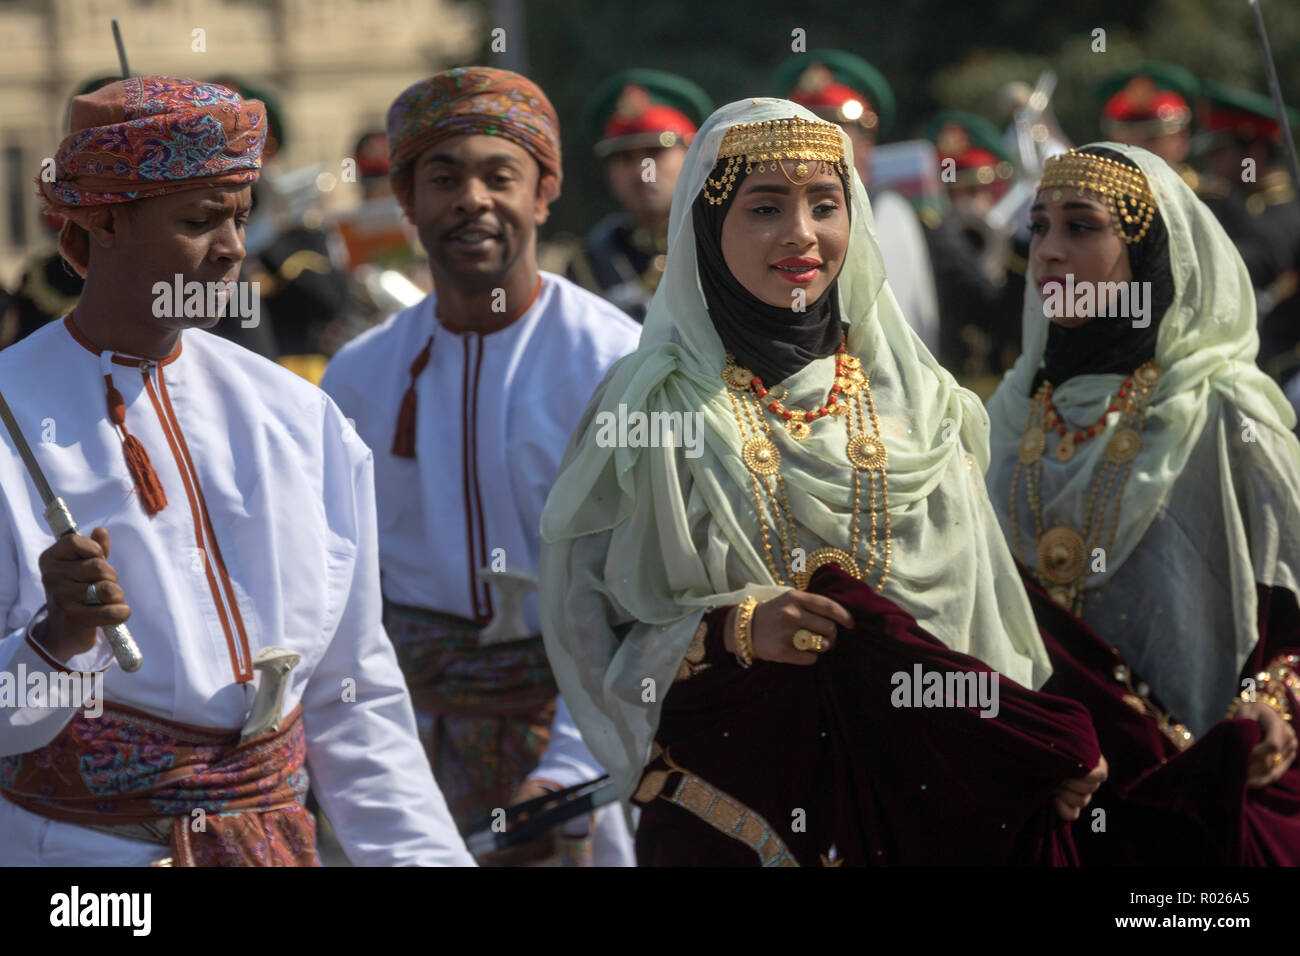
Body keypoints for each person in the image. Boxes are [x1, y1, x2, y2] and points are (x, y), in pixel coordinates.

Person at [538, 97, 1107, 867]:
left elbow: (977, 620)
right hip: (733, 814)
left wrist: (1020, 746)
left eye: (825, 204)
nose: (802, 235)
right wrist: (734, 630)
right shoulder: (653, 405)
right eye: (765, 207)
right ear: (706, 228)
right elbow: (593, 632)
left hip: (924, 804)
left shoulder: (921, 401)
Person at [0, 76, 471, 866]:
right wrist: (57, 640)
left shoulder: (299, 417)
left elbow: (353, 698)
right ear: (99, 227)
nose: (231, 248)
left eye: (240, 218)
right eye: (198, 220)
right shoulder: (11, 418)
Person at [320, 67, 639, 865]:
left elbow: (645, 597)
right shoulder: (357, 377)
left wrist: (570, 773)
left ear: (543, 192)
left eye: (500, 176)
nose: (472, 200)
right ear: (406, 200)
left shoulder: (617, 364)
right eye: (443, 178)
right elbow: (335, 606)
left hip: (582, 765)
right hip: (408, 766)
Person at [986, 143, 1300, 864]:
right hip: (1045, 802)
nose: (1049, 254)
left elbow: (1290, 621)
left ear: (1151, 251)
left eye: (1082, 227)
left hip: (1193, 801)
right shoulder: (1004, 417)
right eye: (1038, 228)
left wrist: (1273, 708)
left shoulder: (1225, 412)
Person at [769, 51, 941, 355]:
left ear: (866, 143)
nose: (814, 138)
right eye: (801, 126)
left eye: (833, 125)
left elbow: (896, 337)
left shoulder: (888, 211)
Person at [542, 69, 711, 323]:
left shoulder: (731, 246)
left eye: (655, 152)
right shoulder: (586, 265)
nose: (640, 170)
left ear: (694, 156)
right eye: (622, 157)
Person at [1093, 62, 1200, 186]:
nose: (1138, 150)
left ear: (1182, 138)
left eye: (1151, 139)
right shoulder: (1092, 197)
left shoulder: (1209, 199)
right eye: (1127, 144)